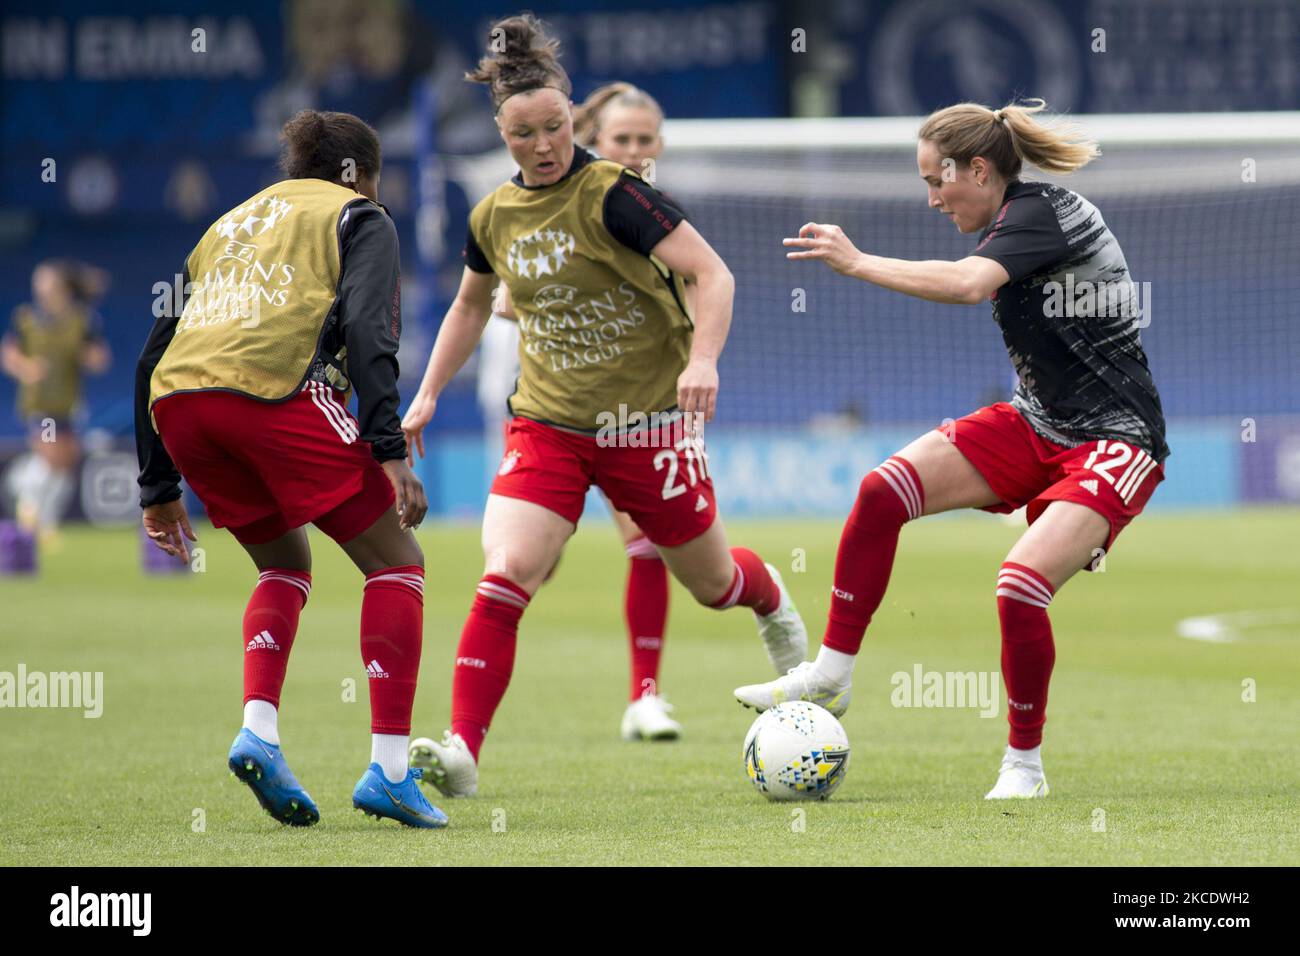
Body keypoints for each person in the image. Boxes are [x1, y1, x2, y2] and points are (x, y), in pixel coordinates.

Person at [402, 14, 808, 798]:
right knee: (509, 571)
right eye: (525, 134)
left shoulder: (617, 195)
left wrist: (703, 362)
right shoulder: (491, 217)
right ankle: (463, 752)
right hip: (548, 426)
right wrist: (424, 396)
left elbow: (713, 275)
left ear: (571, 119)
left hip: (649, 426)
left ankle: (775, 607)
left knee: (714, 583)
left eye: (555, 127)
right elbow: (468, 307)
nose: (545, 144)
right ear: (502, 131)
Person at [736, 99, 1169, 800]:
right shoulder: (1013, 220)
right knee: (881, 492)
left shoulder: (1041, 213)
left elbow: (968, 285)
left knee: (1020, 587)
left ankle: (1023, 767)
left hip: (1115, 440)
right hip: (1040, 423)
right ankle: (832, 672)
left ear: (978, 168)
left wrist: (856, 261)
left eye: (938, 181)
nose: (932, 199)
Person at [134, 109, 446, 828]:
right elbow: (371, 327)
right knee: (397, 562)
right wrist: (389, 450)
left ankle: (260, 732)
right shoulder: (360, 215)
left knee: (284, 567)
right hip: (271, 390)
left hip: (180, 404)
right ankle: (392, 771)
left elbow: (154, 349)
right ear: (358, 172)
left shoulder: (230, 223)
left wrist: (157, 487)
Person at [482, 80, 689, 742]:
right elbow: (502, 300)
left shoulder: (664, 219)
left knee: (650, 543)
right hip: (558, 409)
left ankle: (645, 696)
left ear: (660, 146)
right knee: (532, 563)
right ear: (596, 144)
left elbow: (702, 289)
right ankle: (476, 716)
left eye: (644, 140)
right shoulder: (559, 207)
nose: (633, 151)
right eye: (620, 140)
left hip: (646, 411)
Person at [2, 260, 112, 541]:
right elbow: (9, 354)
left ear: (61, 288)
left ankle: (44, 519)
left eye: (46, 282)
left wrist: (92, 358)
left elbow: (98, 356)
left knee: (66, 462)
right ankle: (26, 500)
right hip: (40, 403)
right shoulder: (26, 318)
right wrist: (26, 368)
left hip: (68, 402)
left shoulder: (81, 320)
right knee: (49, 455)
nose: (40, 289)